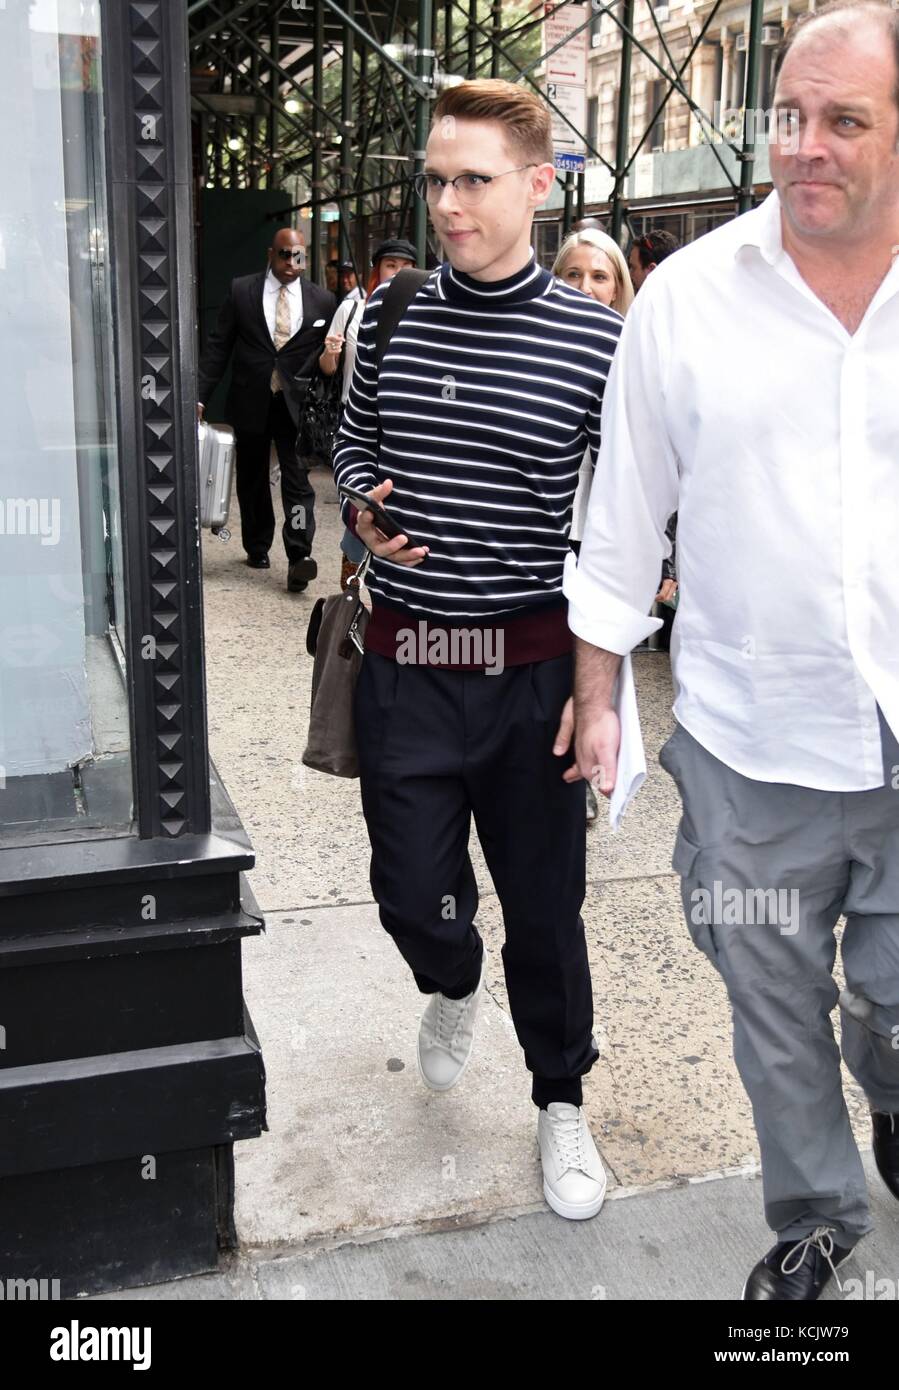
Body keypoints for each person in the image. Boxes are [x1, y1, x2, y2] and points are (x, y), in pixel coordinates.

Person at [565, 0, 899, 1298]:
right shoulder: (691, 301)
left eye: (842, 121)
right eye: (786, 116)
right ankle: (816, 1210)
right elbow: (618, 515)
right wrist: (598, 698)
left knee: (887, 992)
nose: (801, 146)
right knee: (765, 992)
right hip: (747, 738)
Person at [332, 79, 623, 1221]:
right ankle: (449, 977)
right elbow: (351, 443)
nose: (448, 202)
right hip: (407, 664)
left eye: (473, 180)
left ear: (537, 187)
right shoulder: (393, 316)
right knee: (411, 890)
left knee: (545, 909)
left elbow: (636, 510)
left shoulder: (597, 342)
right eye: (436, 180)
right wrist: (360, 503)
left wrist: (598, 678)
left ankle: (561, 1102)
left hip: (532, 678)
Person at [197, 227, 335, 591]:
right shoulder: (241, 291)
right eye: (284, 255)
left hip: (296, 406)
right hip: (250, 399)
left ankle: (299, 555)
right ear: (270, 254)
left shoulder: (323, 301)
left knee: (297, 483)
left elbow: (326, 356)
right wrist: (199, 395)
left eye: (299, 256)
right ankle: (257, 546)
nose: (292, 263)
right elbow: (218, 347)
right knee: (253, 479)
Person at [551, 227, 632, 822]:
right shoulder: (534, 347)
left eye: (598, 276)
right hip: (553, 532)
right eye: (572, 274)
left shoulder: (634, 351)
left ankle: (585, 762)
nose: (585, 287)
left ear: (617, 286)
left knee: (595, 652)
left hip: (603, 535)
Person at [319, 238, 418, 589]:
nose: (398, 274)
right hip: (355, 412)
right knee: (360, 514)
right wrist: (331, 353)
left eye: (406, 267)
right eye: (391, 266)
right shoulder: (354, 308)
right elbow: (327, 368)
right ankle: (351, 593)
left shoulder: (423, 311)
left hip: (397, 429)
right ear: (377, 269)